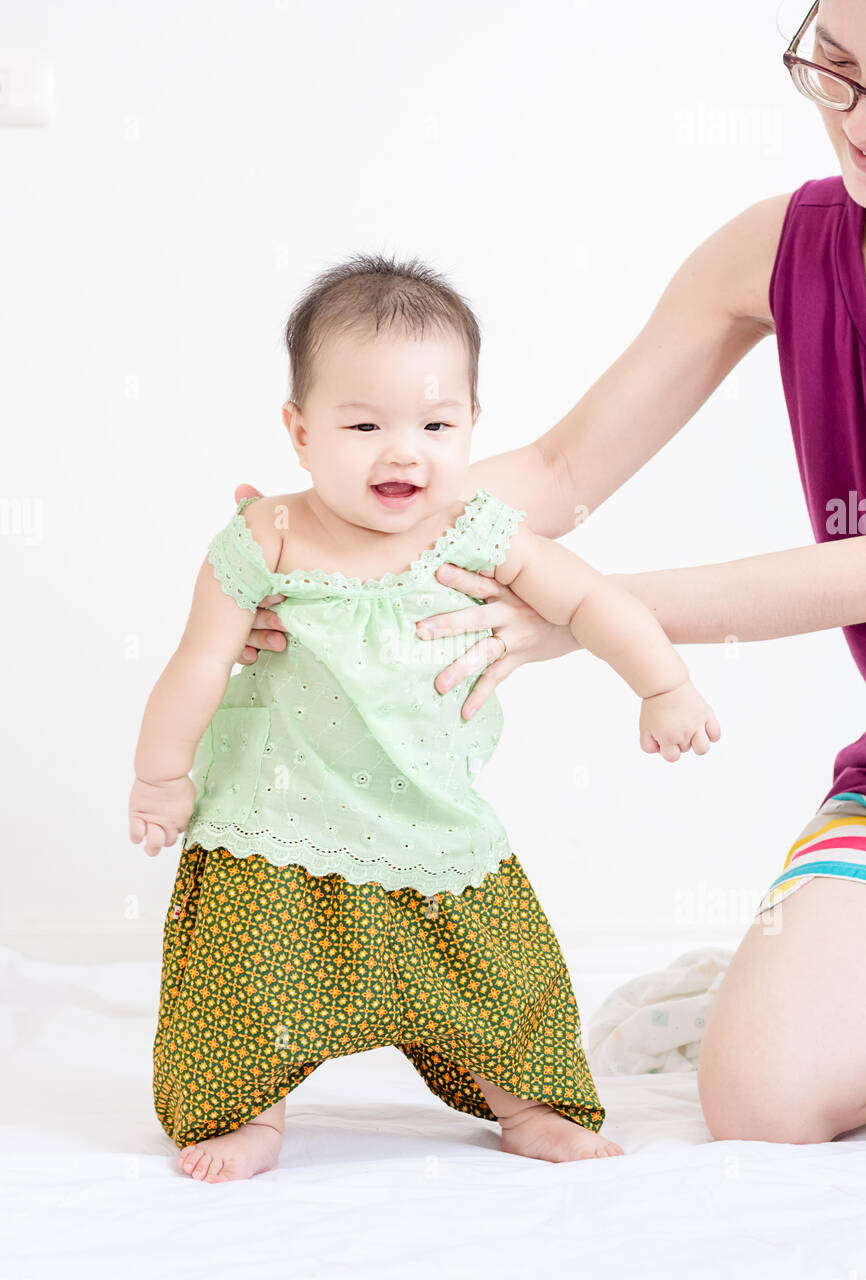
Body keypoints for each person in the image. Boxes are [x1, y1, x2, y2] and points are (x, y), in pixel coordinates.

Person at [239, 1, 866, 1147]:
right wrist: (301, 553)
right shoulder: (778, 246)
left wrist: (589, 614)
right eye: (831, 68)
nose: (853, 117)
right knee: (762, 1099)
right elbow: (566, 467)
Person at [129, 253, 721, 1182]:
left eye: (437, 424)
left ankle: (528, 1107)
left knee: (503, 977)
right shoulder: (267, 537)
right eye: (364, 424)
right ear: (300, 431)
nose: (404, 450)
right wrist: (161, 777)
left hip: (433, 824)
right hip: (274, 824)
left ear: (474, 426)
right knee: (244, 987)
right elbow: (199, 659)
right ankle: (250, 1115)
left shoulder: (476, 528)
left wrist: (663, 683)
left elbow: (590, 601)